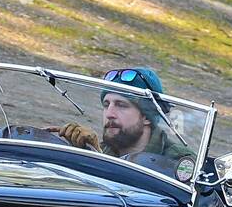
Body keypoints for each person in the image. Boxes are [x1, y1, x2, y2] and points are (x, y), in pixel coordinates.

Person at [54, 67, 194, 171]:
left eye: (121, 105)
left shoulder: (178, 162)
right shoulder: (101, 150)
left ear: (146, 116)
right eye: (106, 104)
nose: (109, 113)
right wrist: (83, 153)